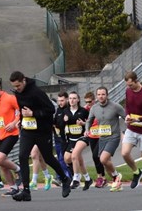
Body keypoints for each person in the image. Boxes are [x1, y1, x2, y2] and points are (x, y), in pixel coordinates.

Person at [7, 71, 72, 201]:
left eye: (18, 86)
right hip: (27, 130)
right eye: (14, 86)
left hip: (42, 130)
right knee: (22, 156)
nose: (17, 89)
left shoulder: (36, 92)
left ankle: (65, 179)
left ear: (24, 81)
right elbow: (23, 109)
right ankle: (26, 191)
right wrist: (21, 120)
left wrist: (33, 113)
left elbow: (51, 110)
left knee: (48, 158)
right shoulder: (18, 93)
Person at [83, 87, 126, 191]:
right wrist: (87, 130)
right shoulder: (94, 108)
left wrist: (125, 131)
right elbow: (89, 121)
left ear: (107, 95)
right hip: (102, 137)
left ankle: (116, 176)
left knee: (103, 159)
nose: (101, 96)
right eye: (99, 94)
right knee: (105, 162)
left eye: (103, 94)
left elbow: (126, 118)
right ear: (96, 96)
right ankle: (116, 179)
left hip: (114, 137)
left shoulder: (115, 106)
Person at [60, 91, 92, 191]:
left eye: (74, 98)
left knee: (74, 156)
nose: (72, 100)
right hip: (71, 139)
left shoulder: (83, 111)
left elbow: (91, 123)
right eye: (70, 98)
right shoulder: (65, 111)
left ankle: (76, 179)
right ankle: (87, 179)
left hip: (82, 137)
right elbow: (60, 125)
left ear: (78, 100)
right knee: (67, 158)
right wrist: (64, 121)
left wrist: (84, 124)